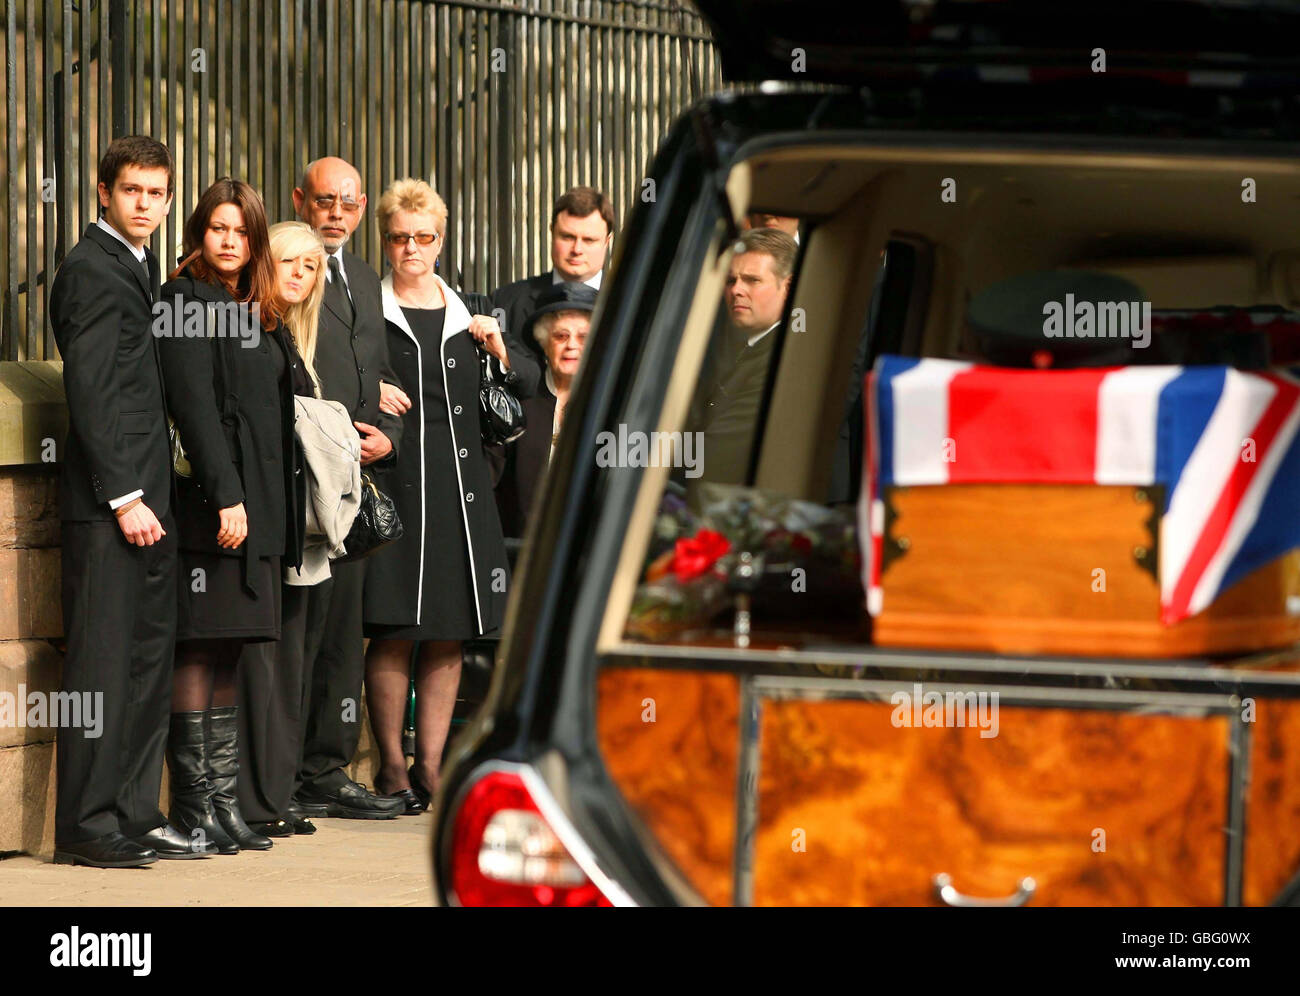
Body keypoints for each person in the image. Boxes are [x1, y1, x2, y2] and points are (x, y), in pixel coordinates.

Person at [49, 136, 207, 867]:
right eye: (132, 191)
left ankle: (137, 813)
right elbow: (92, 391)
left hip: (154, 502)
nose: (145, 204)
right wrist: (124, 496)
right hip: (115, 505)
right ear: (104, 192)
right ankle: (88, 827)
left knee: (147, 663)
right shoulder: (89, 269)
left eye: (157, 192)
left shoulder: (142, 266)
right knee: (103, 668)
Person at [364, 178, 539, 812]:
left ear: (441, 239)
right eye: (398, 237)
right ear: (384, 240)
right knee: (395, 629)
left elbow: (520, 397)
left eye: (424, 237)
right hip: (397, 479)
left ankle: (431, 766)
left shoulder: (472, 314)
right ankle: (390, 768)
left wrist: (496, 348)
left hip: (463, 490)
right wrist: (370, 391)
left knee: (449, 632)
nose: (411, 248)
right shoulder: (365, 309)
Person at [157, 178, 302, 854]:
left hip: (262, 506)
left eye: (240, 232)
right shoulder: (182, 301)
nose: (228, 241)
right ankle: (193, 808)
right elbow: (193, 408)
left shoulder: (257, 307)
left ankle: (222, 804)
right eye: (217, 228)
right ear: (199, 231)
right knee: (201, 643)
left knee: (230, 648)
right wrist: (226, 495)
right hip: (215, 506)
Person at [291, 157, 406, 819]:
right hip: (308, 476)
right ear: (302, 199)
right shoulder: (288, 270)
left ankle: (327, 768)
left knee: (342, 636)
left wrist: (389, 433)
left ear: (362, 209)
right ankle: (285, 776)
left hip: (358, 486)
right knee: (301, 633)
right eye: (324, 199)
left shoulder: (364, 277)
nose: (336, 212)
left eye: (348, 202)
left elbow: (384, 373)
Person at [236, 220, 340, 838]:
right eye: (288, 261)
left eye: (311, 265)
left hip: (301, 531)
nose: (299, 273)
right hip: (261, 525)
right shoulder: (251, 329)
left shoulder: (289, 336)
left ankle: (277, 795)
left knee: (294, 662)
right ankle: (257, 799)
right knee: (263, 664)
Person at [692, 227, 797, 486]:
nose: (736, 290)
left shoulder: (784, 360)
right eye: (731, 280)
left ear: (789, 287)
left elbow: (717, 450)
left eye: (752, 280)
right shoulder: (743, 346)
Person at [495, 282, 597, 538]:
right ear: (544, 343)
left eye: (583, 337)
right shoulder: (519, 401)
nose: (572, 345)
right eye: (561, 336)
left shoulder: (614, 402)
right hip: (522, 551)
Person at [490, 186, 614, 364]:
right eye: (567, 237)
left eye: (589, 240)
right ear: (552, 234)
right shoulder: (506, 303)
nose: (577, 249)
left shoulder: (633, 303)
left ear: (607, 242)